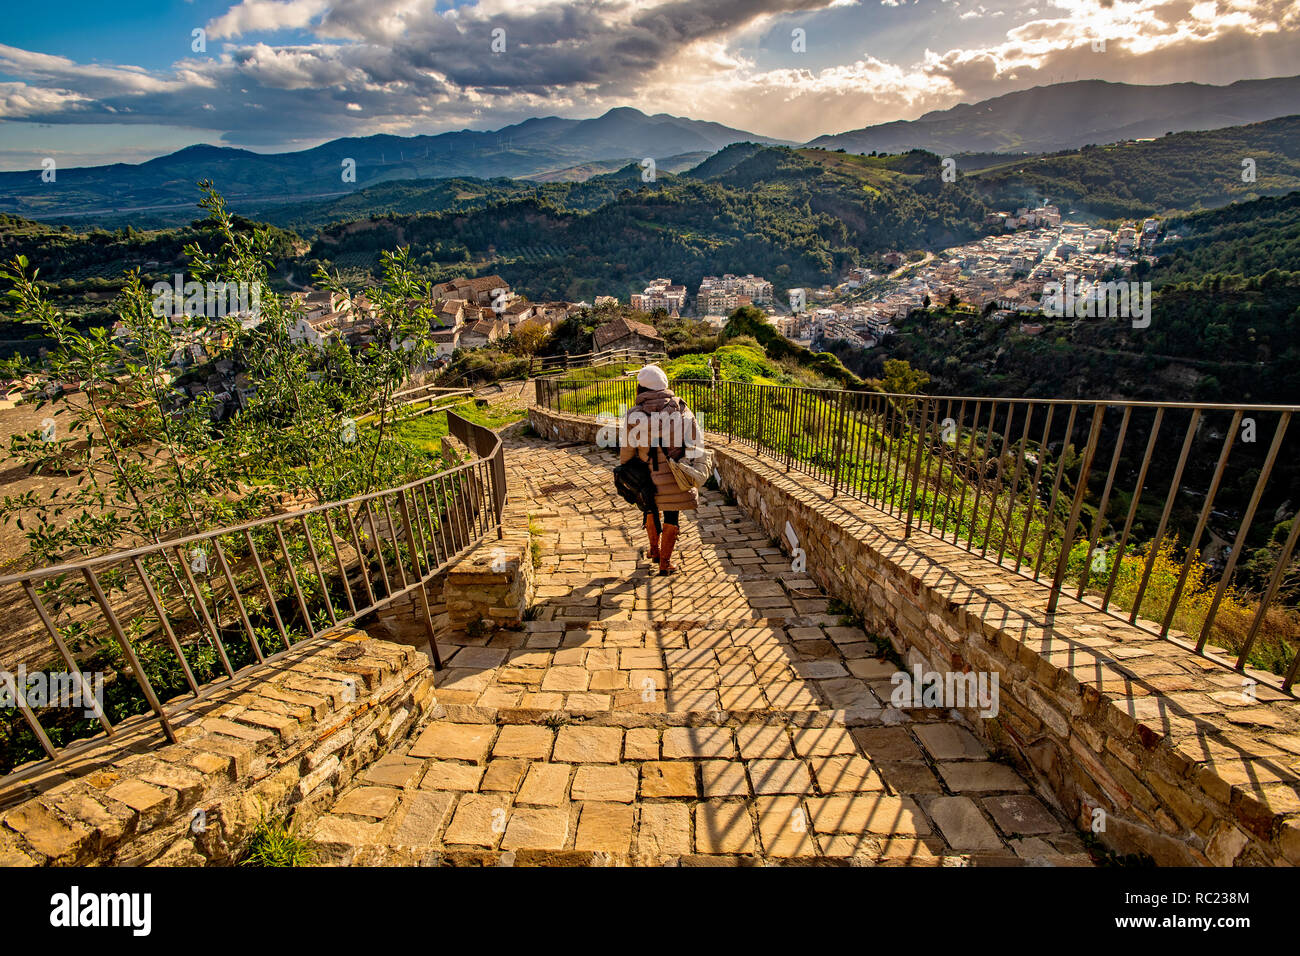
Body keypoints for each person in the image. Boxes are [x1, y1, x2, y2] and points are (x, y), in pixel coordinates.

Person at [620, 364, 699, 575]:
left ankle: (654, 550)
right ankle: (665, 563)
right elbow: (695, 442)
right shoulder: (682, 410)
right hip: (675, 475)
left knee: (649, 508)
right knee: (672, 515)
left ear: (641, 389)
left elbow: (627, 454)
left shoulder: (633, 415)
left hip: (647, 476)